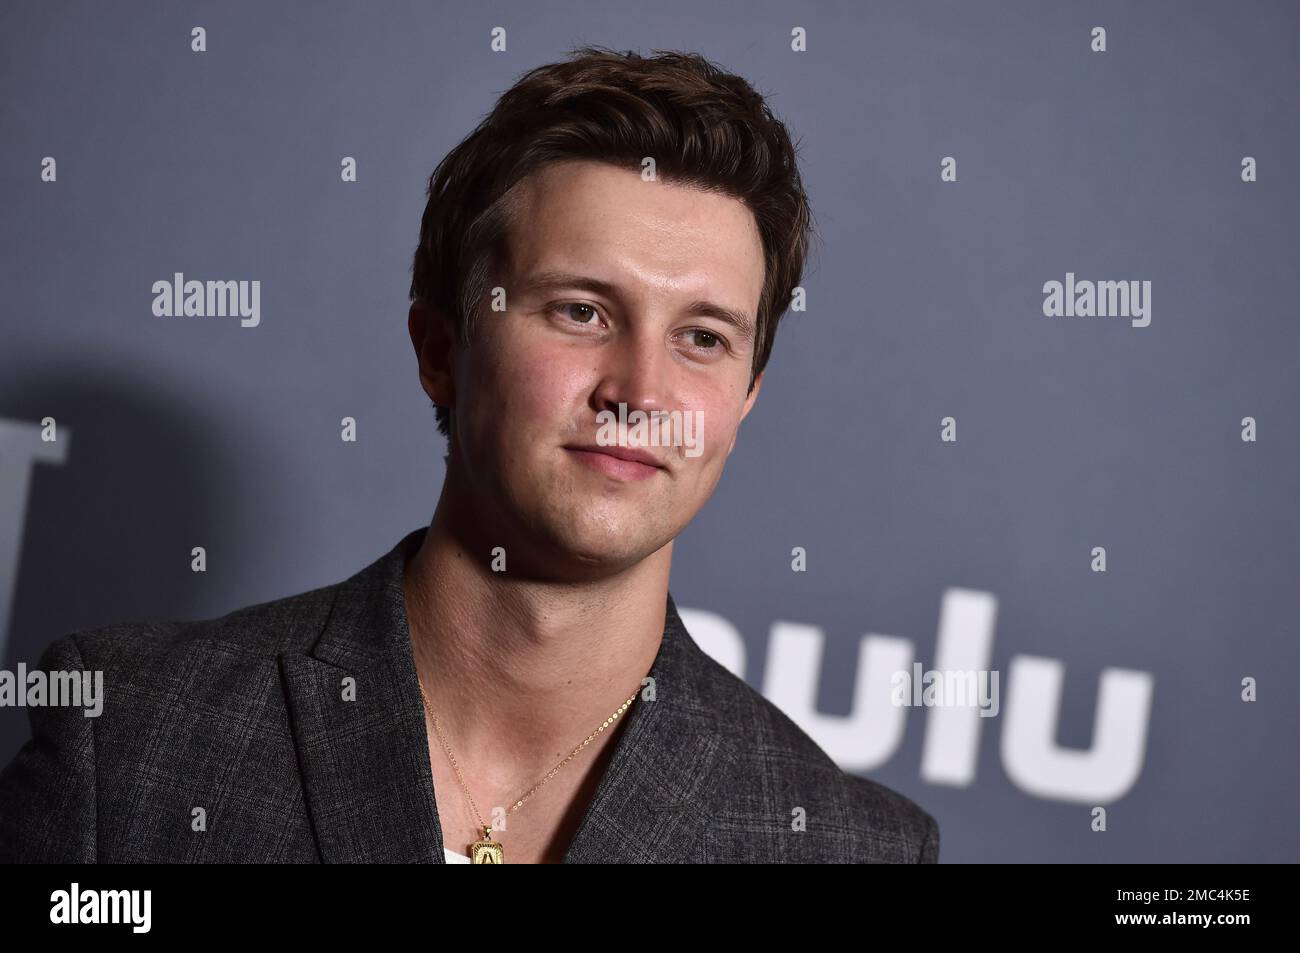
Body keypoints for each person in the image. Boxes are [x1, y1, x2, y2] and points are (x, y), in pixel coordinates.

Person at [0, 46, 938, 864]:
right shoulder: (129, 740)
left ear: (745, 399)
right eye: (581, 311)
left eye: (702, 338)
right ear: (441, 349)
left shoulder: (850, 846)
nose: (640, 393)